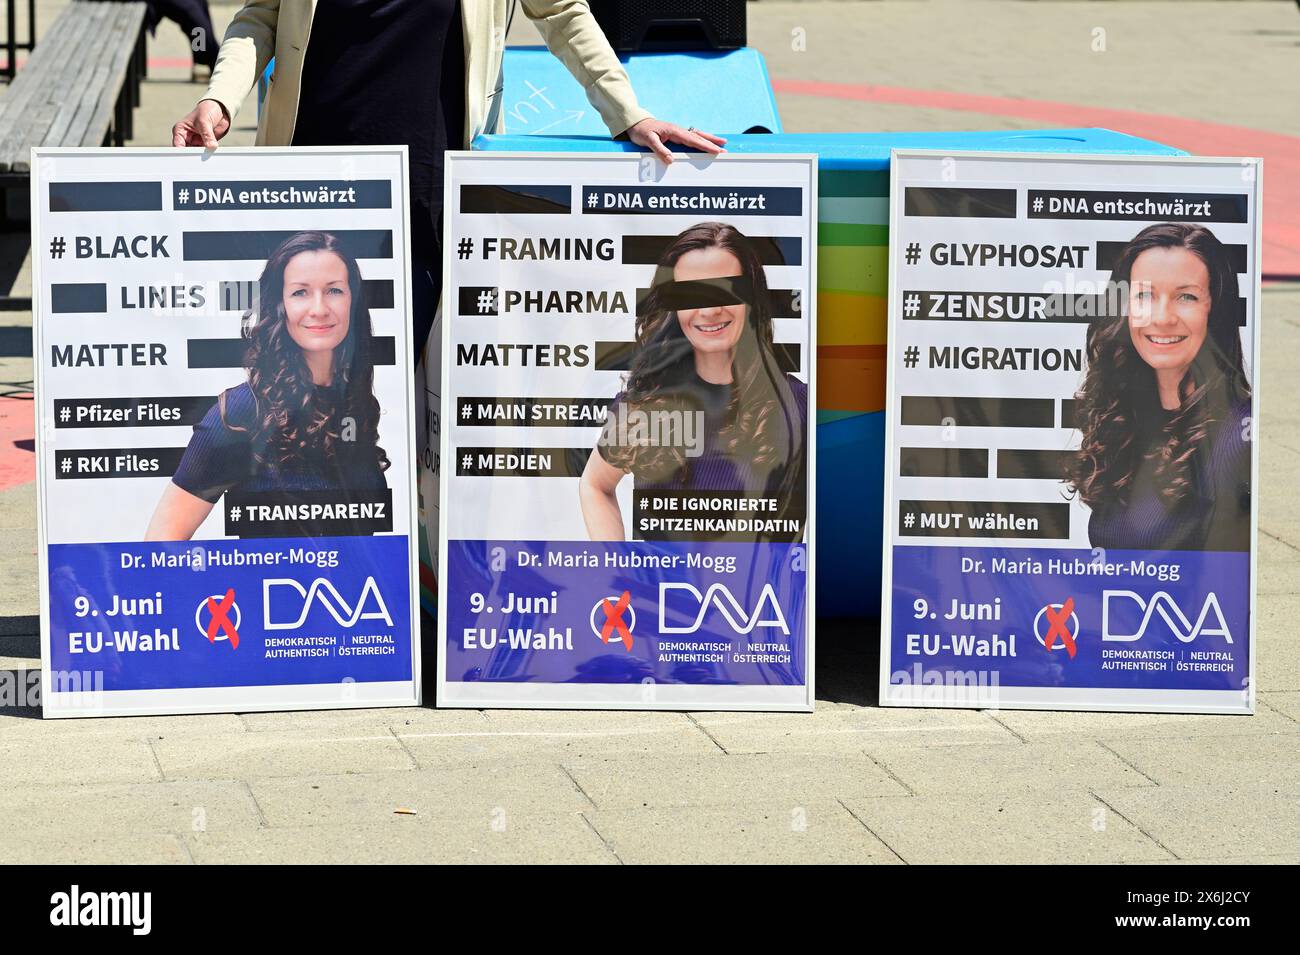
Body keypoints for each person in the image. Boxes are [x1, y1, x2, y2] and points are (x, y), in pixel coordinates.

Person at [170, 0, 726, 360]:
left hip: (431, 183)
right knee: (311, 365)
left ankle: (418, 534)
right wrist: (219, 97)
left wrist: (627, 112)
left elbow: (562, 13)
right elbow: (260, 17)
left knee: (418, 370)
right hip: (315, 178)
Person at [145, 231, 389, 541]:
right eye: (300, 293)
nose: (319, 308)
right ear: (279, 305)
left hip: (353, 590)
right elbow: (161, 543)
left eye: (334, 290)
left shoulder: (355, 403)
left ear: (353, 301)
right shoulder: (240, 412)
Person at [579, 222, 808, 542]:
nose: (710, 309)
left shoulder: (800, 407)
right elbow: (596, 485)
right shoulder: (642, 408)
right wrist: (616, 571)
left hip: (763, 595)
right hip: (660, 594)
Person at [1066, 222, 1252, 552]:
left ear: (1215, 308)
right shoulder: (1125, 415)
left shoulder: (1238, 435)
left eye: (1186, 296)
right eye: (1145, 295)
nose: (1162, 317)